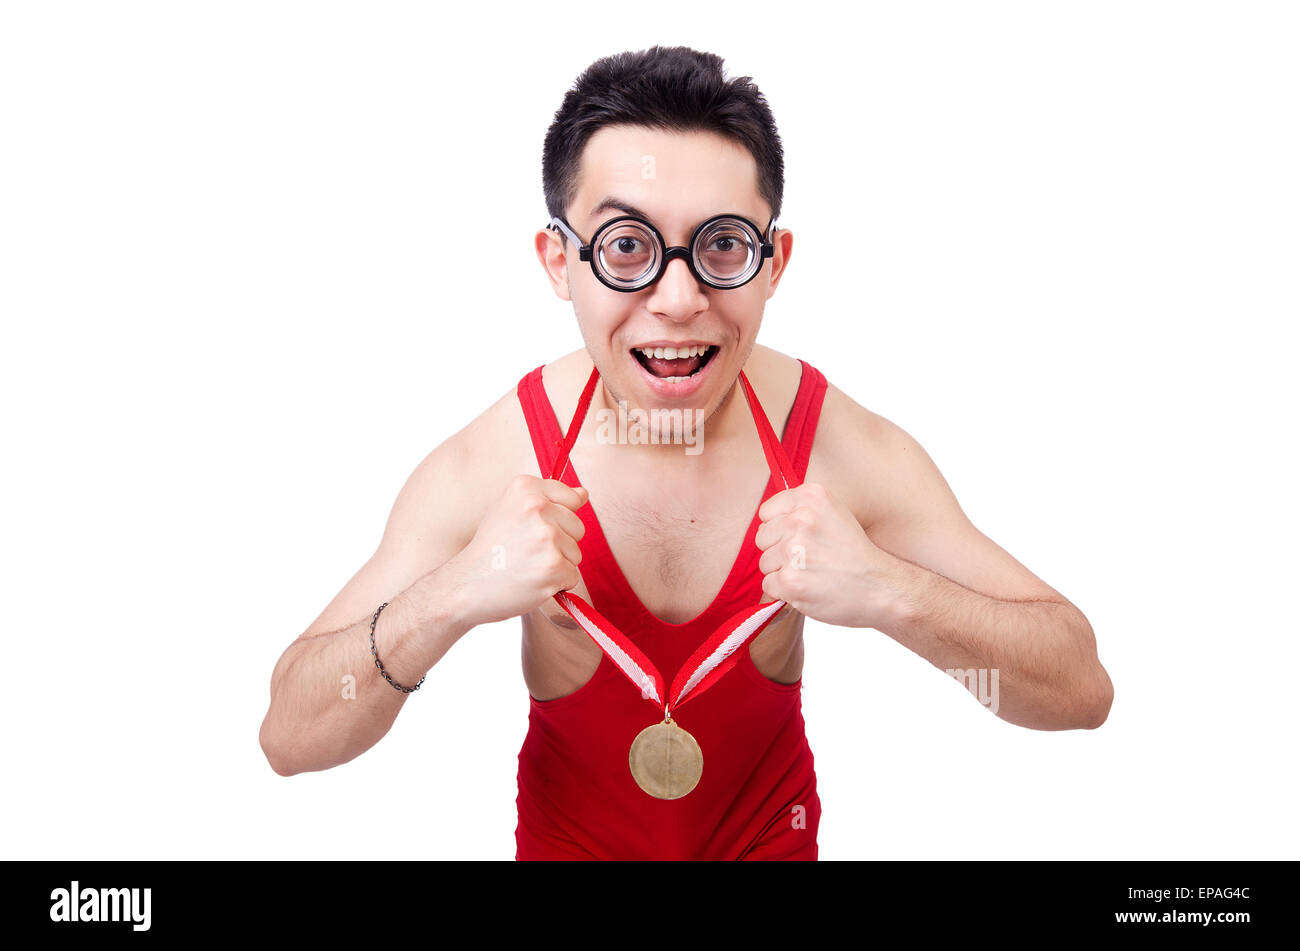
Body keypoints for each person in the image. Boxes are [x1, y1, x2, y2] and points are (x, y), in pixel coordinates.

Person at [258, 45, 1113, 860]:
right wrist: (449, 597)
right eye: (627, 246)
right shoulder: (501, 459)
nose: (677, 300)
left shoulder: (838, 447)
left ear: (773, 262)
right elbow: (291, 736)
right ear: (560, 261)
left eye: (722, 246)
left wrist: (893, 592)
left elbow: (1080, 687)